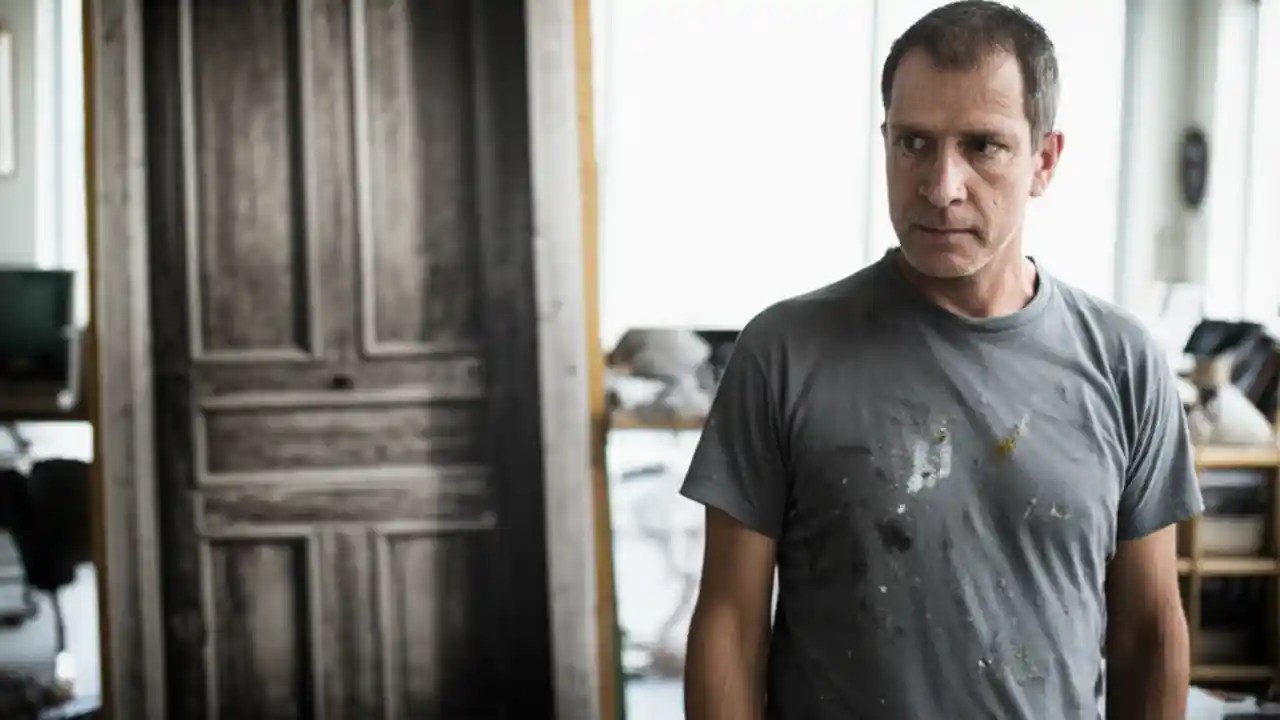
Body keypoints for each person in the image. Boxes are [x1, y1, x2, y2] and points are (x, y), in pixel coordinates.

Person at [680, 2, 1204, 718]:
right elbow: (730, 627)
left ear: (1044, 161)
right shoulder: (782, 353)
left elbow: (1149, 634)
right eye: (914, 143)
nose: (940, 186)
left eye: (983, 146)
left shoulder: (1124, 365)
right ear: (885, 142)